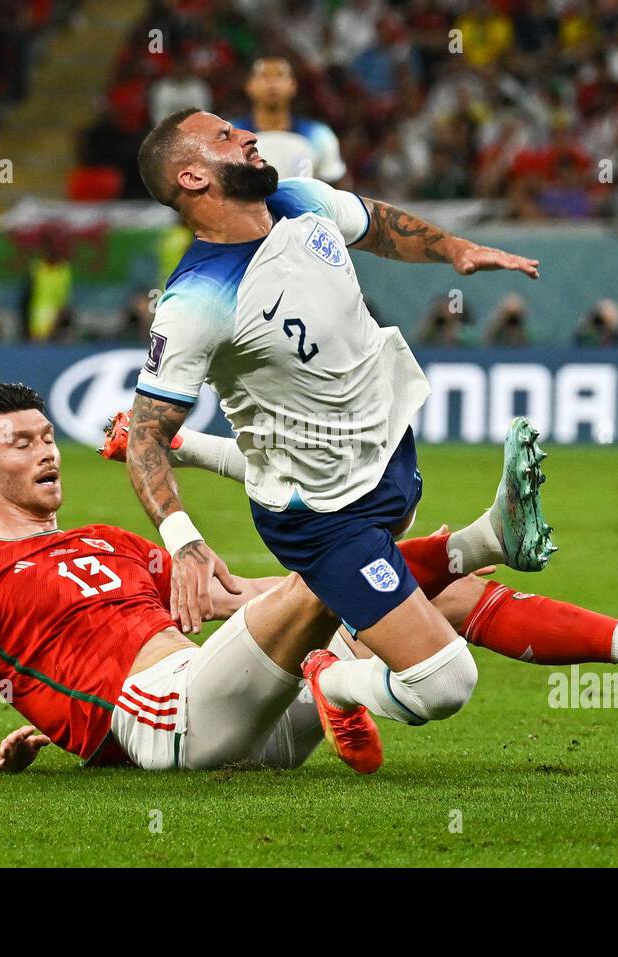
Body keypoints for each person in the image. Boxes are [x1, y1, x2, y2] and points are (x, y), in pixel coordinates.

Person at [0, 383, 618, 774]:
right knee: (337, 564)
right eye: (18, 442)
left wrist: (364, 573)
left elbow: (234, 601)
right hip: (159, 720)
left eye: (45, 436)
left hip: (256, 722)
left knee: (394, 587)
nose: (42, 451)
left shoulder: (110, 538)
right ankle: (476, 539)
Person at [125, 107, 549, 756]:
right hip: (322, 511)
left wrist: (454, 250)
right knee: (445, 682)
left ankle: (479, 541)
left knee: (366, 596)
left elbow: (377, 224)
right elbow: (146, 435)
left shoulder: (299, 200)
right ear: (192, 177)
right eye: (225, 137)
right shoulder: (195, 302)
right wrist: (183, 541)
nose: (247, 136)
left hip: (388, 453)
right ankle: (336, 680)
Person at [230, 58, 346, 182]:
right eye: (263, 75)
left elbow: (333, 184)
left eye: (279, 75)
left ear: (293, 85)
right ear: (249, 86)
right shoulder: (230, 134)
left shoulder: (319, 135)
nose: (272, 83)